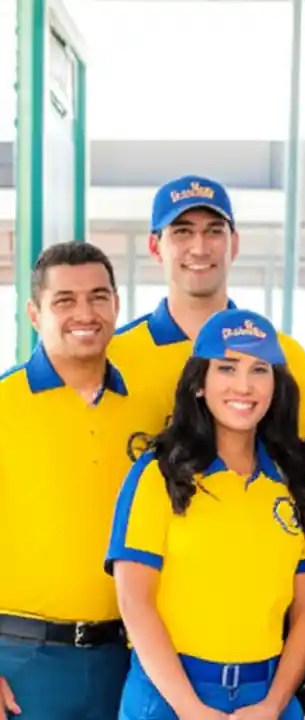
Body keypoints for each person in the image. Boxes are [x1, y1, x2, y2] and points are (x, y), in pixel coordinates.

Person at [105, 308, 305, 718]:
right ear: (199, 385)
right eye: (227, 368)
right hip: (169, 697)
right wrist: (191, 709)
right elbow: (134, 602)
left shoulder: (296, 482)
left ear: (276, 385)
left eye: (260, 370)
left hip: (265, 699)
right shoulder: (158, 474)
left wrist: (273, 705)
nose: (244, 385)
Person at [0, 242, 168, 719]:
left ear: (117, 305)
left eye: (98, 297)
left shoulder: (152, 410)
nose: (84, 313)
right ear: (35, 313)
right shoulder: (4, 404)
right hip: (24, 661)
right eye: (64, 301)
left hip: (127, 657)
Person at [110, 174, 305, 439]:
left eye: (214, 231)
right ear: (155, 247)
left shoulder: (284, 357)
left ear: (234, 244)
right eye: (183, 232)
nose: (199, 248)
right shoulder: (113, 359)